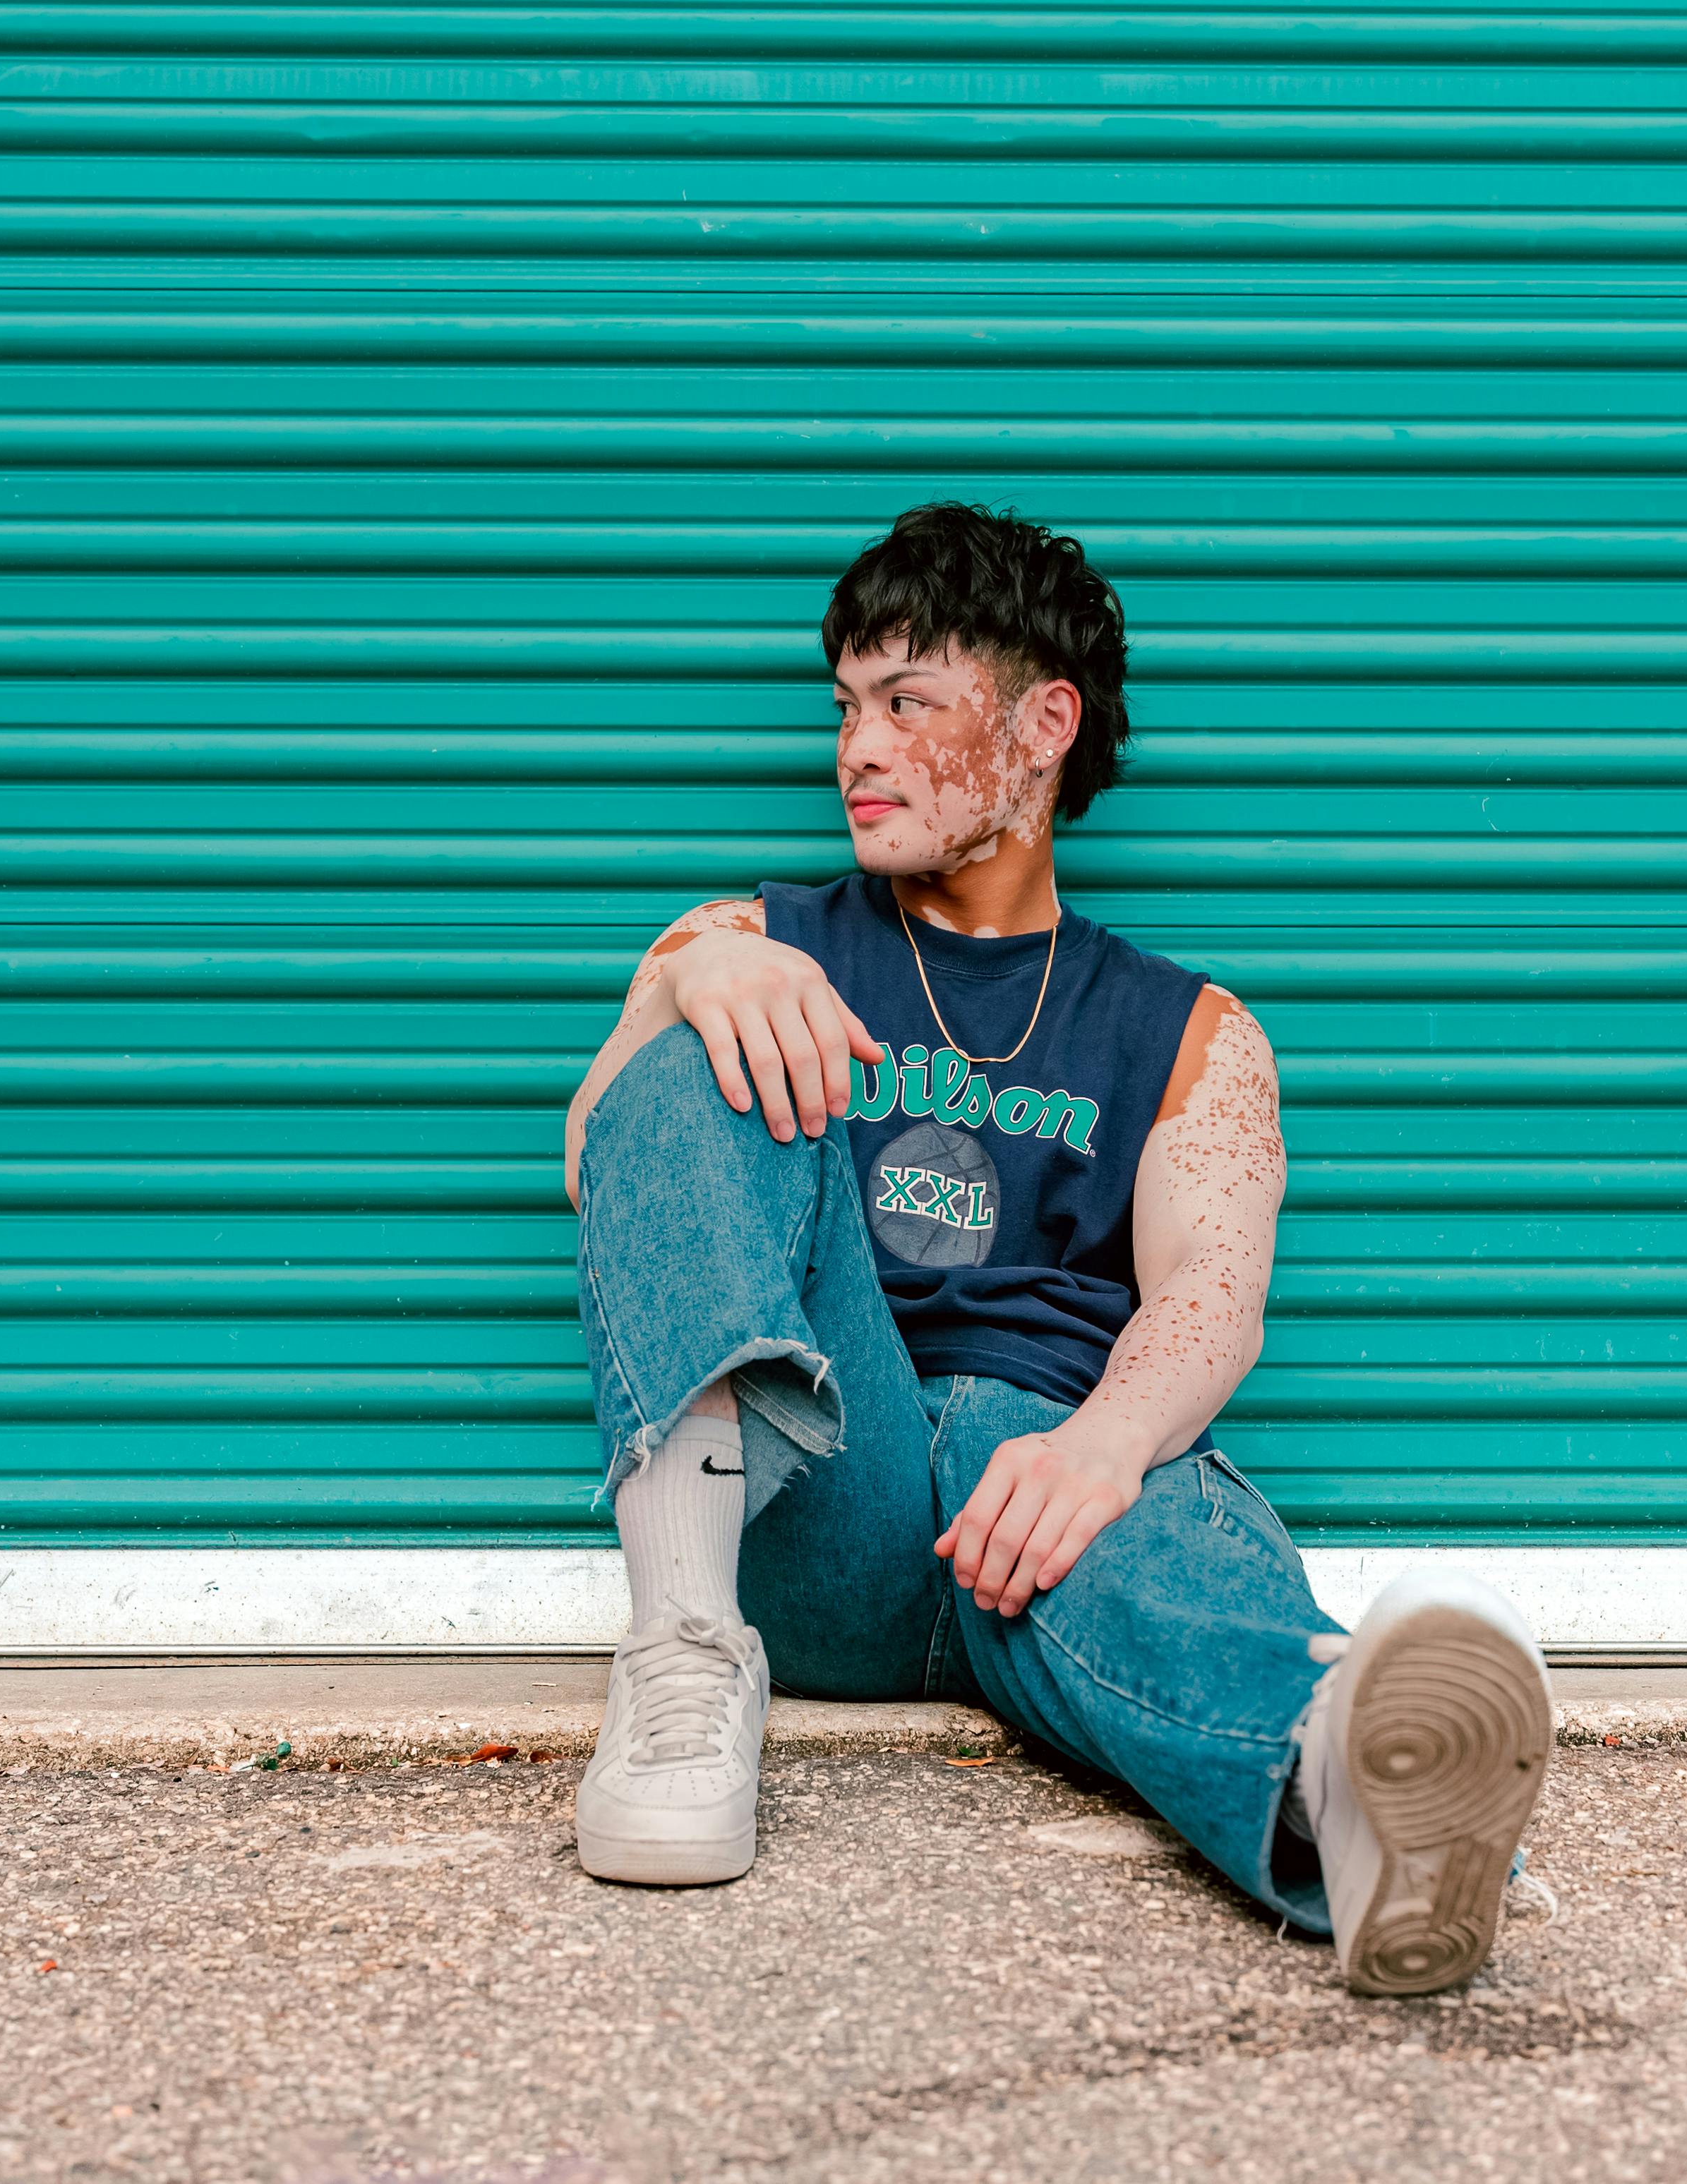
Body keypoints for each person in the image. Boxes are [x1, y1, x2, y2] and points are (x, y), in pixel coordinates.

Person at [563, 502, 1552, 1996]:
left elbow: (1211, 1303)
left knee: (1146, 1513)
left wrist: (1101, 1446)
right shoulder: (761, 944)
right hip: (834, 1487)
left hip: (1063, 1510)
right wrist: (690, 974)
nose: (856, 750)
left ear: (1041, 726)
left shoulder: (1193, 1032)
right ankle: (686, 1658)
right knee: (694, 1057)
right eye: (844, 708)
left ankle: (1341, 1794)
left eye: (907, 703)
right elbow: (605, 1163)